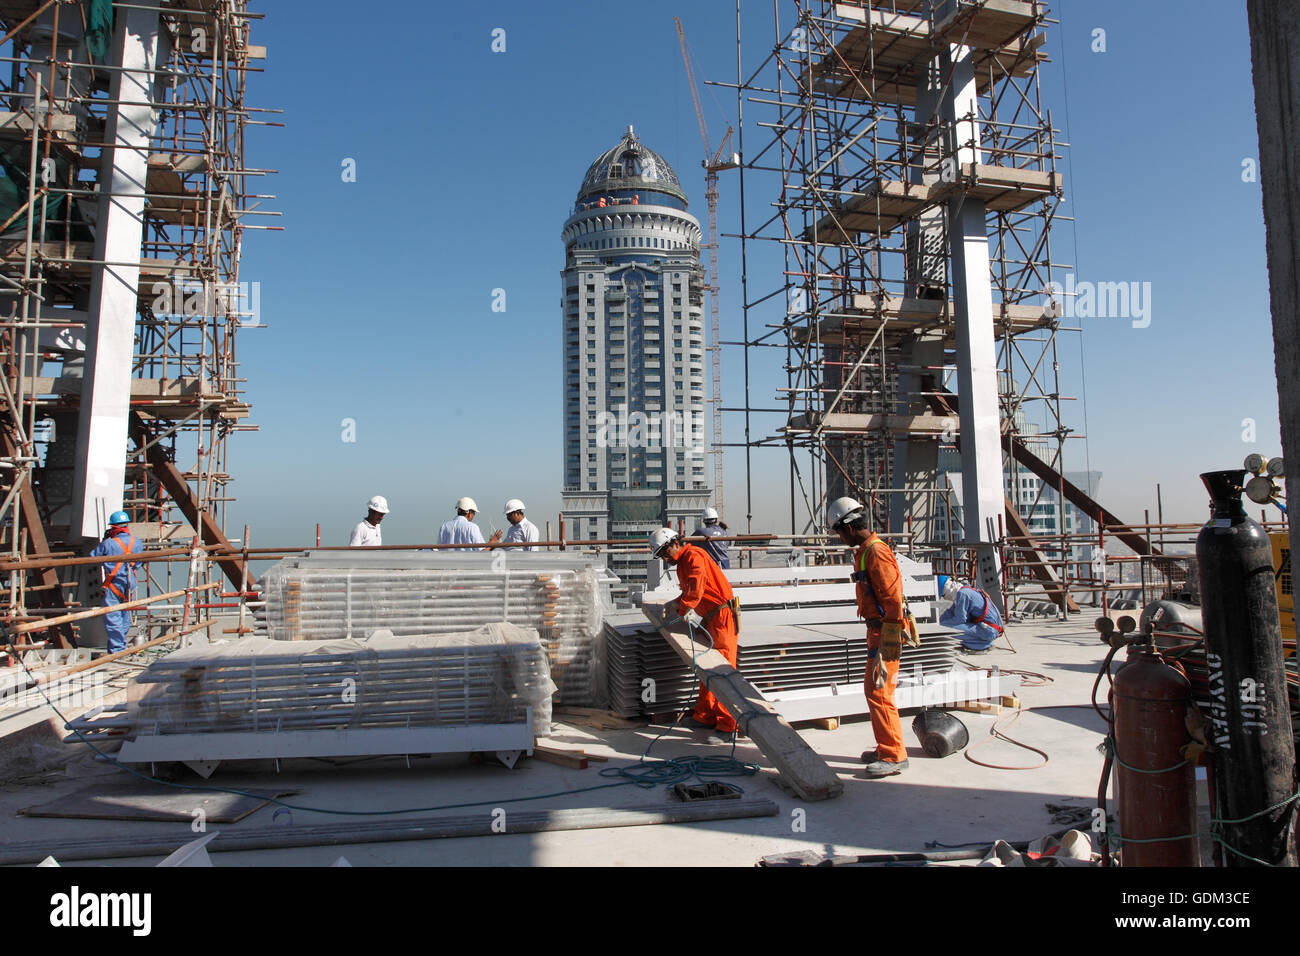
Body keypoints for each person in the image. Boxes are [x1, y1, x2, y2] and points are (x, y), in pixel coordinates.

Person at [828, 496, 909, 777]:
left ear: (848, 528)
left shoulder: (875, 552)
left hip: (886, 630)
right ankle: (885, 745)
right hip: (877, 629)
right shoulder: (865, 550)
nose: (839, 538)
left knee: (879, 691)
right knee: (874, 691)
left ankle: (893, 754)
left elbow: (893, 596)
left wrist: (890, 634)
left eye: (838, 532)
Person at [651, 527, 739, 738]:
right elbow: (689, 591)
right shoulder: (683, 562)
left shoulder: (693, 556)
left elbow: (695, 590)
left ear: (674, 544)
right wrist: (674, 604)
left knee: (723, 672)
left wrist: (679, 611)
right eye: (661, 556)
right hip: (711, 618)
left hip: (722, 618)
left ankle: (728, 725)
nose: (665, 558)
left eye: (664, 553)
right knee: (707, 670)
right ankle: (705, 715)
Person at [89, 510, 141, 654]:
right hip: (131, 581)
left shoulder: (109, 544)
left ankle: (118, 649)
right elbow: (138, 563)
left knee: (113, 616)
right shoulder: (136, 541)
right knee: (125, 612)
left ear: (114, 528)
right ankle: (120, 643)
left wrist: (104, 542)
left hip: (114, 583)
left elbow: (92, 557)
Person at [937, 575, 1004, 653]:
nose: (945, 598)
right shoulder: (964, 591)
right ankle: (982, 643)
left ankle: (983, 645)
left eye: (943, 595)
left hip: (989, 630)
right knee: (945, 625)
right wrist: (937, 623)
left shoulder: (962, 594)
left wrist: (940, 627)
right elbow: (950, 613)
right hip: (989, 628)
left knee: (948, 629)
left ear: (947, 590)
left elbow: (959, 619)